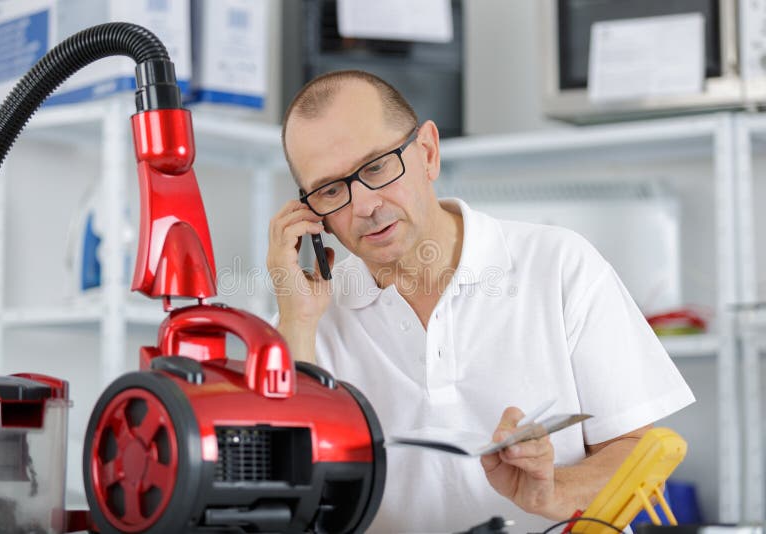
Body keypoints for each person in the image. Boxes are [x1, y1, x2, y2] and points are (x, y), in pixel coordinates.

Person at [267, 70, 695, 533]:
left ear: (427, 152)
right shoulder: (306, 318)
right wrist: (296, 320)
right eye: (331, 190)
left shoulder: (558, 265)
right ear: (312, 215)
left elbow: (639, 450)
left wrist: (553, 491)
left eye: (377, 167)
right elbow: (286, 489)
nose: (365, 205)